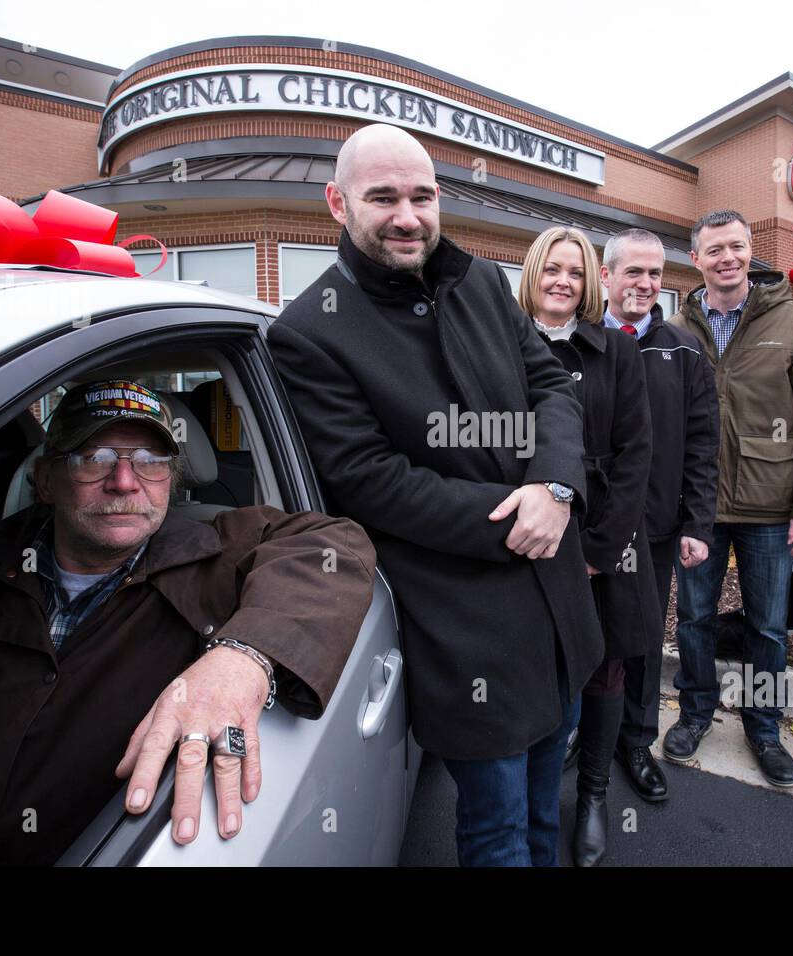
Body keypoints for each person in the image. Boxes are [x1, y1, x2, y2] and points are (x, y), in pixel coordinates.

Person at [0, 379, 376, 865]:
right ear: (45, 480)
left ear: (171, 479)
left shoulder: (219, 551)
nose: (124, 481)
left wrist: (242, 658)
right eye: (94, 457)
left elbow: (335, 542)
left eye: (149, 459)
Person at [266, 124, 601, 867]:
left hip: (559, 613)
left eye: (421, 195)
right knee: (496, 833)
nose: (407, 214)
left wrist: (555, 486)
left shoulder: (482, 281)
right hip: (466, 628)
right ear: (336, 202)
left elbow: (552, 386)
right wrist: (520, 520)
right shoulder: (307, 332)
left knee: (547, 810)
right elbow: (368, 479)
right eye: (382, 197)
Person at [666, 210, 793, 787]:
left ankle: (764, 727)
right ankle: (695, 714)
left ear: (751, 253)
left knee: (768, 626)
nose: (727, 258)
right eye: (714, 249)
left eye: (737, 247)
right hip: (697, 506)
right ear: (695, 258)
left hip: (772, 509)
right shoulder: (675, 329)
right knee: (693, 619)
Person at [517, 226, 656, 866]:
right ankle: (526, 789)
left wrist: (600, 550)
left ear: (591, 281)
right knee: (533, 661)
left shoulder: (617, 354)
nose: (563, 281)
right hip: (523, 536)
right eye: (553, 268)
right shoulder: (503, 345)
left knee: (604, 667)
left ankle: (594, 795)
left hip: (604, 542)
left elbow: (635, 459)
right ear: (533, 273)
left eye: (576, 271)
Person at [599, 228, 720, 803]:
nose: (645, 284)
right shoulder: (578, 342)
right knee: (588, 635)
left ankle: (635, 741)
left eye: (654, 274)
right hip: (587, 529)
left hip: (654, 530)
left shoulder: (684, 350)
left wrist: (698, 524)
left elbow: (702, 443)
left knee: (644, 639)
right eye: (633, 272)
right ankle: (586, 732)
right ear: (607, 277)